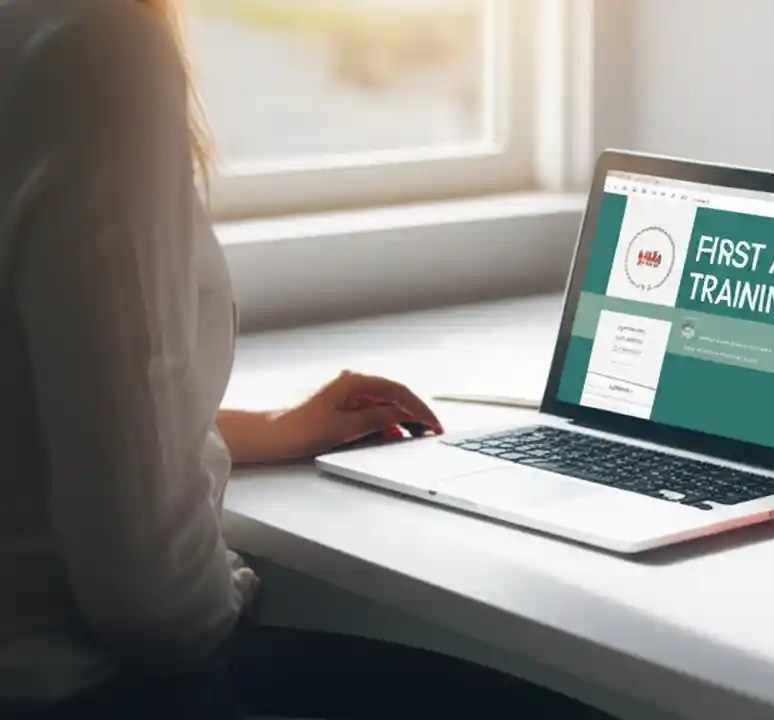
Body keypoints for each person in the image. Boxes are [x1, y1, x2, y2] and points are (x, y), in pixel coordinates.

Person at [0, 1, 609, 717]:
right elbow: (154, 605)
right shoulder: (98, 47)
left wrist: (271, 427)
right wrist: (239, 589)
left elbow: (43, 403)